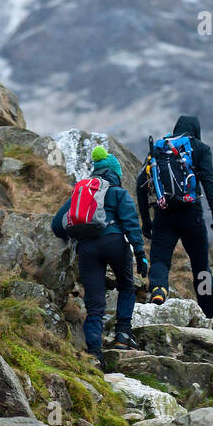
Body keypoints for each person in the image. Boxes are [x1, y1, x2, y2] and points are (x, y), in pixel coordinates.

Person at [52, 145, 148, 362]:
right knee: (126, 285)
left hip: (87, 248)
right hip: (114, 243)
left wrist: (76, 235)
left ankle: (95, 354)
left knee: (94, 304)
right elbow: (131, 224)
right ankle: (123, 334)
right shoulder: (117, 192)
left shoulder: (81, 192)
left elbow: (57, 225)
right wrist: (140, 254)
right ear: (114, 172)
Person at [137, 115, 213, 317]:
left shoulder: (158, 149)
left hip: (164, 214)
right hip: (191, 214)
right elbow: (208, 180)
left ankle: (158, 289)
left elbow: (141, 185)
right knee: (200, 265)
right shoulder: (200, 147)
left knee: (160, 259)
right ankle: (209, 311)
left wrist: (146, 220)